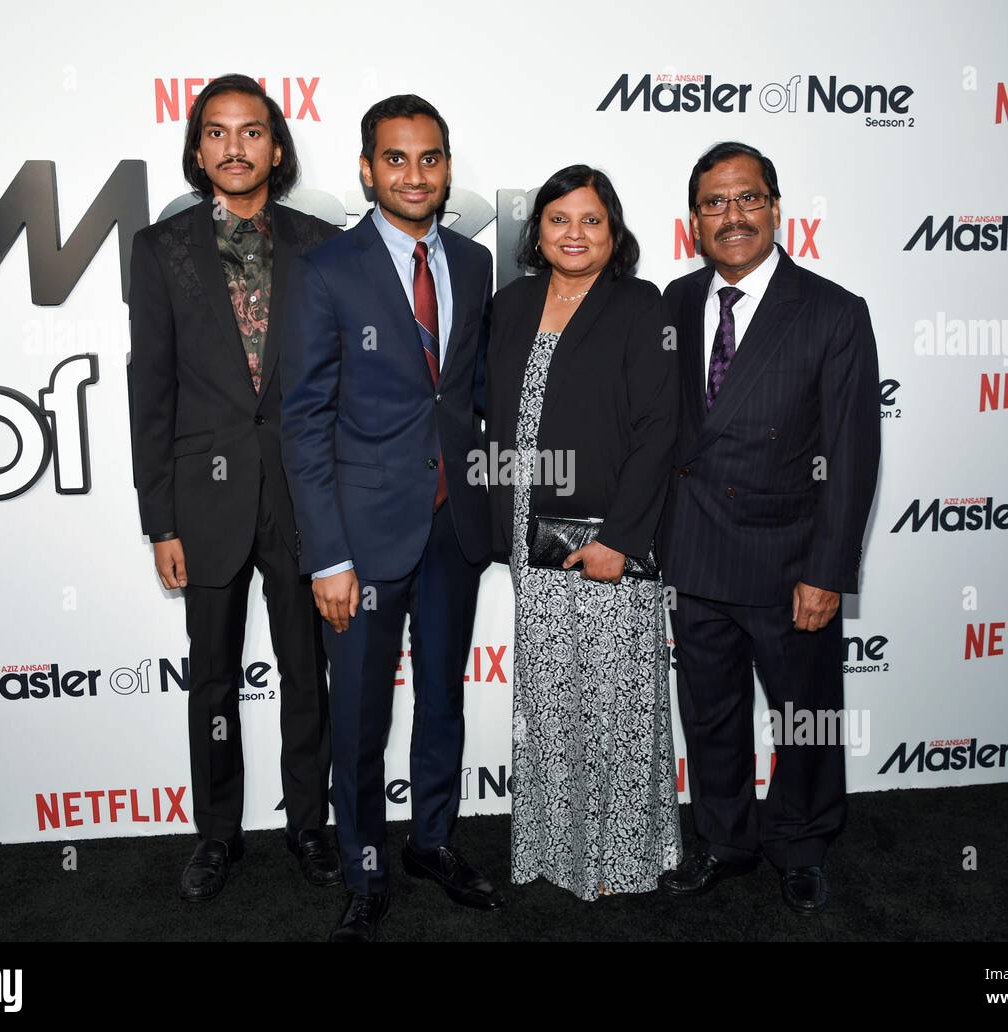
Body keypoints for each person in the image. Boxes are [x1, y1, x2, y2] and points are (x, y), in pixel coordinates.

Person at [278, 95, 500, 942]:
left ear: (448, 167)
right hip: (361, 538)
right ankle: (366, 866)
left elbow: (470, 395)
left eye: (431, 158)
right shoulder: (327, 269)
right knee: (363, 714)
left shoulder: (476, 265)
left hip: (453, 528)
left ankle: (433, 843)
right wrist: (326, 555)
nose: (416, 174)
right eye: (396, 159)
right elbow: (303, 419)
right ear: (367, 170)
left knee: (443, 695)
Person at [126, 74, 341, 901]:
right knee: (212, 678)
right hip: (203, 501)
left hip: (299, 498)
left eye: (251, 132)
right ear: (198, 149)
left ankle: (310, 827)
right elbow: (152, 391)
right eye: (216, 133)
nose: (234, 147)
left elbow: (341, 383)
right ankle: (217, 834)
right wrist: (160, 520)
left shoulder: (323, 244)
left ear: (276, 148)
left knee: (304, 670)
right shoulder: (160, 249)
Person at [657, 141, 880, 915]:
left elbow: (851, 455)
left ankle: (802, 841)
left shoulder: (832, 311)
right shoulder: (676, 302)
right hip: (694, 554)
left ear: (776, 209)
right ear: (694, 222)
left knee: (805, 717)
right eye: (714, 204)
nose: (733, 216)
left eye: (747, 198)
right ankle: (725, 840)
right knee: (710, 715)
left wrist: (828, 570)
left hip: (790, 563)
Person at [485, 165, 682, 901]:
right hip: (529, 542)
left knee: (615, 706)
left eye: (591, 220)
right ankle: (554, 849)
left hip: (606, 543)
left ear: (614, 231)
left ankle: (623, 855)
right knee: (551, 705)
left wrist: (623, 539)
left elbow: (660, 427)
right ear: (537, 231)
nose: (575, 233)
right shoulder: (510, 306)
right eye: (559, 219)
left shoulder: (640, 306)